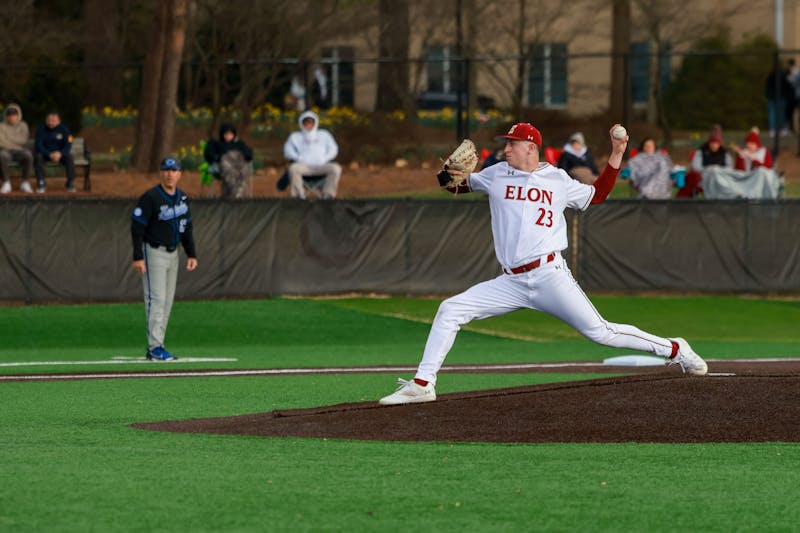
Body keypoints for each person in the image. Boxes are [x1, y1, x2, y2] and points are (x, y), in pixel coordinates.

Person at [378, 123, 708, 405]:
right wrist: (445, 173)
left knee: (601, 333)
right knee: (450, 310)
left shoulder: (558, 179)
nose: (506, 149)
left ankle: (676, 348)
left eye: (512, 144)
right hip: (510, 282)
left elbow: (598, 196)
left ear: (531, 148)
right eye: (505, 144)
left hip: (549, 275)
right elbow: (453, 185)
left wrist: (617, 153)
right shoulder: (495, 174)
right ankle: (422, 385)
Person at [130, 157, 198, 361]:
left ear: (180, 174)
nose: (170, 173)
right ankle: (154, 347)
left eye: (174, 170)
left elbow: (186, 228)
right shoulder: (151, 197)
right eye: (166, 170)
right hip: (154, 252)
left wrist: (191, 253)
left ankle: (159, 344)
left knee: (166, 301)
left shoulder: (182, 198)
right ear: (161, 173)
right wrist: (137, 256)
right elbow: (137, 226)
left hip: (173, 254)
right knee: (156, 299)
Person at [283, 110, 342, 199]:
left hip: (322, 165)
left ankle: (328, 195)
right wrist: (298, 158)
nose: (308, 125)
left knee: (336, 168)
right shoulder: (295, 136)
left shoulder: (324, 135)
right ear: (301, 124)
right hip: (304, 167)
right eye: (305, 123)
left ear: (315, 123)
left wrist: (325, 158)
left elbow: (334, 149)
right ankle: (299, 196)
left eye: (310, 123)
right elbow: (287, 151)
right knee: (293, 168)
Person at [677, 124, 733, 198]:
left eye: (716, 143)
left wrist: (718, 169)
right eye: (712, 143)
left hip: (720, 177)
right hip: (704, 177)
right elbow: (696, 166)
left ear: (720, 143)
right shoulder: (701, 151)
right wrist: (710, 168)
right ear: (709, 142)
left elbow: (730, 168)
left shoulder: (724, 153)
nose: (714, 145)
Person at [203, 122, 254, 199]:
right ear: (222, 134)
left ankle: (230, 196)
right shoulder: (216, 144)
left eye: (230, 134)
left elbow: (248, 155)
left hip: (239, 166)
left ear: (234, 135)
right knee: (227, 164)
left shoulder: (240, 144)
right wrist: (218, 158)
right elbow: (209, 155)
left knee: (242, 169)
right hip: (224, 167)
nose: (228, 136)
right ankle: (235, 195)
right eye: (226, 134)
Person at [34, 111, 76, 193]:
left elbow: (69, 144)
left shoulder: (65, 129)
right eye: (49, 120)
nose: (50, 122)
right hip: (46, 154)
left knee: (70, 157)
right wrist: (49, 154)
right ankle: (41, 182)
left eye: (53, 120)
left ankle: (70, 182)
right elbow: (38, 145)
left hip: (60, 154)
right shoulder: (40, 129)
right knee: (38, 157)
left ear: (58, 121)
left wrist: (61, 153)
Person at [0, 104, 34, 194]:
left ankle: (25, 182)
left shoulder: (23, 125)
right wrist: (15, 141)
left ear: (18, 115)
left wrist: (8, 139)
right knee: (2, 155)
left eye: (14, 115)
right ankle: (6, 182)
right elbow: (1, 142)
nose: (12, 117)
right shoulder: (1, 126)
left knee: (28, 155)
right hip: (6, 151)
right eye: (9, 115)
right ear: (6, 116)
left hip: (20, 151)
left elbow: (23, 140)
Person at [765, 62, 794, 137]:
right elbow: (789, 86)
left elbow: (767, 87)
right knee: (780, 114)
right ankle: (781, 129)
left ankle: (773, 129)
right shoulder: (782, 75)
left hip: (773, 97)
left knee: (773, 114)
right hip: (781, 97)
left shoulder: (770, 75)